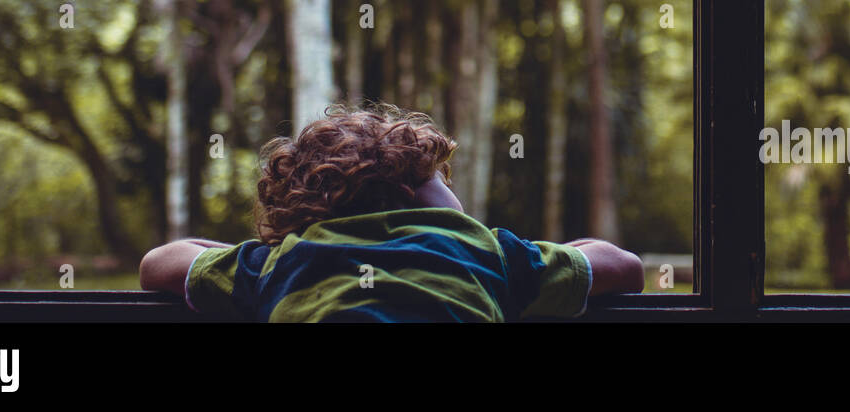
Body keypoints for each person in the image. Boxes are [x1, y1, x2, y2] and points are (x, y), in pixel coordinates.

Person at [139, 103, 644, 321]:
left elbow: (158, 264)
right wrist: (555, 253)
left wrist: (255, 254)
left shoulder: (285, 262)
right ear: (410, 192)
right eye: (442, 181)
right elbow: (624, 267)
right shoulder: (485, 253)